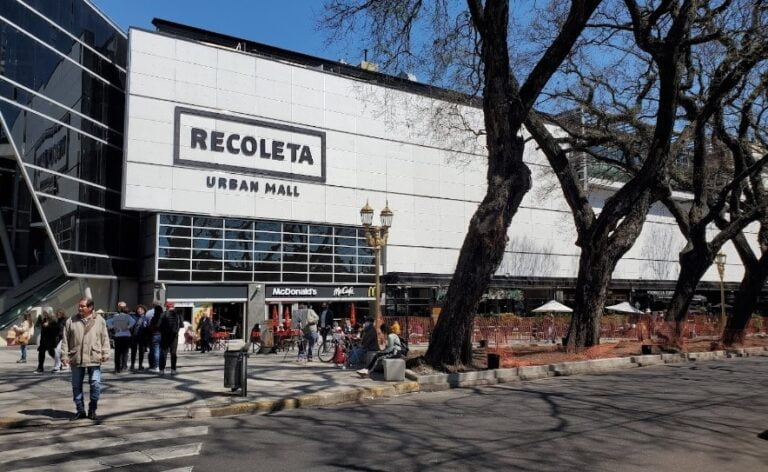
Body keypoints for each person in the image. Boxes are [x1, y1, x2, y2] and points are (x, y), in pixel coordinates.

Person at [61, 297, 109, 421]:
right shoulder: (71, 320)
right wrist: (64, 355)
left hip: (94, 356)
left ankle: (92, 409)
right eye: (79, 306)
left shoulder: (99, 320)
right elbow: (65, 339)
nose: (80, 308)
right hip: (76, 356)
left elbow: (105, 337)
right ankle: (80, 410)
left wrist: (105, 352)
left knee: (95, 384)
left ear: (91, 307)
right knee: (76, 386)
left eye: (83, 306)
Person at [108, 302, 135, 374]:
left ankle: (117, 368)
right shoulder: (128, 317)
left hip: (118, 335)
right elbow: (133, 322)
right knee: (125, 352)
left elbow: (108, 322)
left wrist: (113, 328)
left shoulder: (115, 316)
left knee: (117, 353)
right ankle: (124, 366)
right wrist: (127, 327)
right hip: (126, 335)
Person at [158, 301, 181, 375]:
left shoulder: (163, 314)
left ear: (166, 306)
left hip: (164, 337)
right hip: (174, 337)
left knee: (163, 353)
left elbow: (158, 325)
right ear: (173, 306)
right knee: (173, 353)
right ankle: (173, 370)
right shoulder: (178, 314)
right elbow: (181, 325)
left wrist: (162, 331)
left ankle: (162, 370)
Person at [130, 305, 149, 371]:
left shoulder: (146, 318)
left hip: (142, 337)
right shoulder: (133, 317)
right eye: (138, 309)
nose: (139, 310)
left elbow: (147, 328)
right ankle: (132, 365)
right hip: (134, 336)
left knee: (141, 351)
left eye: (141, 309)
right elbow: (130, 326)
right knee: (133, 351)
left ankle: (140, 365)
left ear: (144, 311)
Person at [146, 303, 163, 372]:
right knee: (159, 351)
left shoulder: (154, 318)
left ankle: (156, 366)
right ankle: (159, 366)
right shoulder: (163, 317)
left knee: (155, 351)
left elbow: (150, 326)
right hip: (162, 335)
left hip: (155, 335)